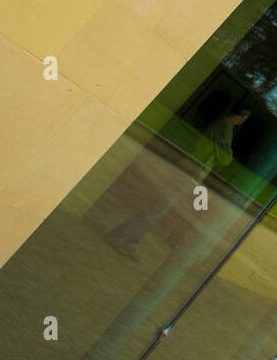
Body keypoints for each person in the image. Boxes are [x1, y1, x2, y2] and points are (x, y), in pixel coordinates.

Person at [103, 108, 250, 261]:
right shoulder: (225, 126)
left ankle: (126, 239)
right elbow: (226, 158)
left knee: (158, 207)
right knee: (158, 209)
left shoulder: (221, 123)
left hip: (187, 168)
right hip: (190, 171)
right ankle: (120, 237)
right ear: (243, 117)